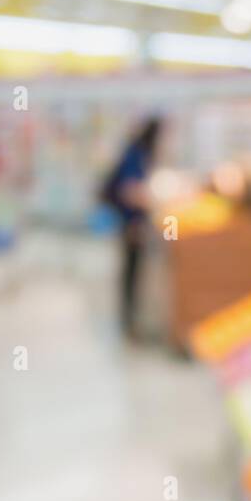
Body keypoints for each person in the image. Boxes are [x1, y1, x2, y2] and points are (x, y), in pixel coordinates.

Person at [100, 116, 163, 338]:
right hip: (131, 223)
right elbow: (130, 191)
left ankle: (129, 320)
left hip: (129, 222)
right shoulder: (136, 156)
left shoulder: (133, 152)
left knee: (131, 272)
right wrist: (155, 199)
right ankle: (129, 322)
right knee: (131, 272)